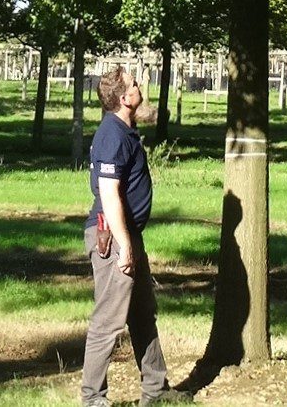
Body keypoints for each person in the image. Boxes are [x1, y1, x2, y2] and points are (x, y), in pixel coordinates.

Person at [81, 64, 185, 405]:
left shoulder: (125, 129)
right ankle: (92, 399)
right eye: (135, 83)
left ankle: (156, 392)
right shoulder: (111, 134)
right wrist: (125, 246)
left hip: (128, 236)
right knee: (108, 324)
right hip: (112, 238)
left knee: (142, 314)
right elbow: (109, 194)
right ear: (125, 98)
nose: (140, 86)